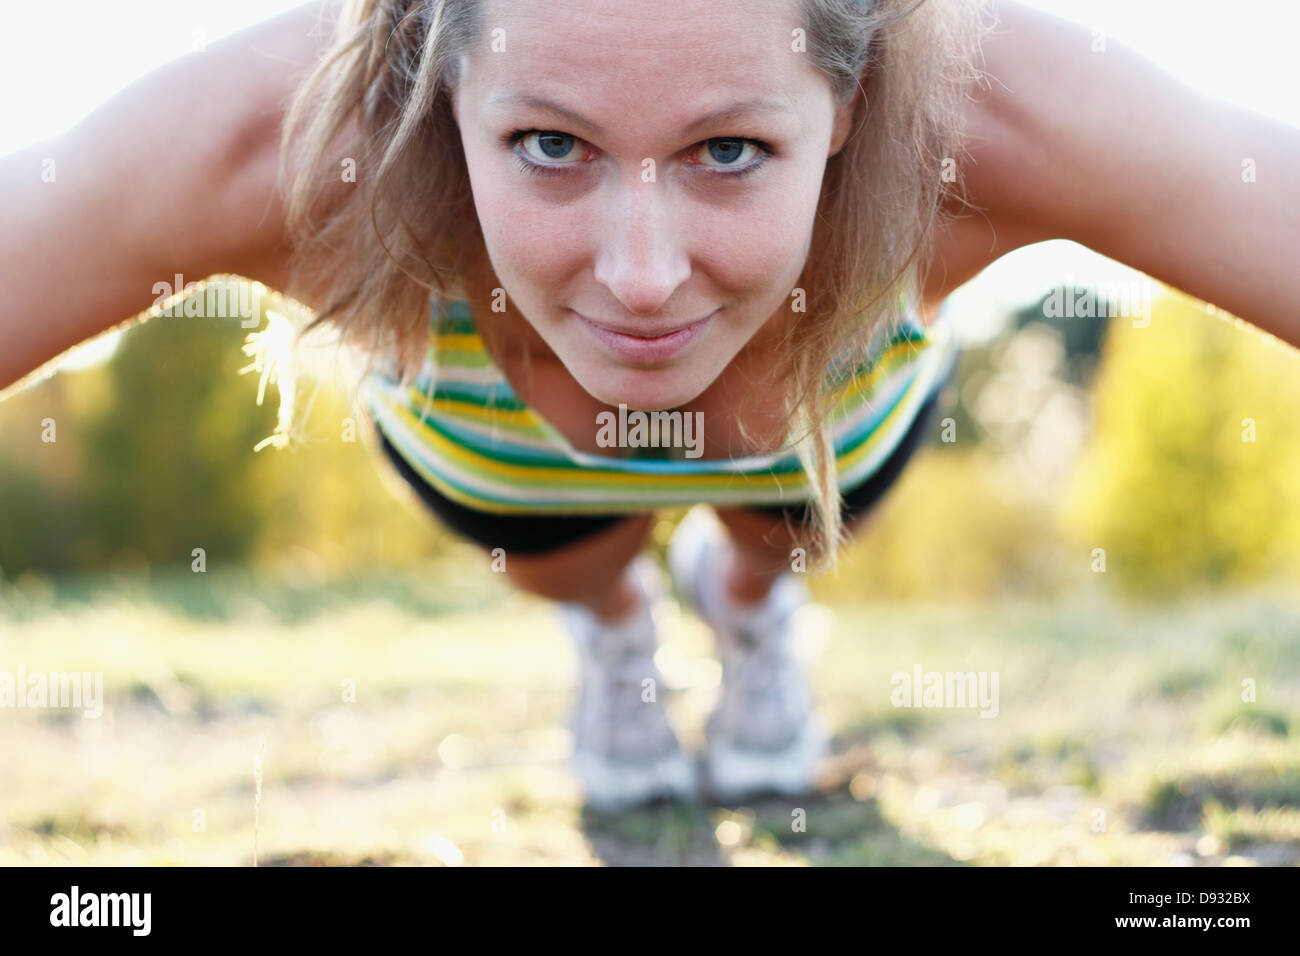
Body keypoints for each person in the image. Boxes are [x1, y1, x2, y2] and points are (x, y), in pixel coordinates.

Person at [2, 0, 1297, 811]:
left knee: (778, 535)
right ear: (443, 89)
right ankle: (619, 638)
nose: (638, 277)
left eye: (728, 150)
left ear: (846, 105)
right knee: (575, 564)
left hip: (821, 441)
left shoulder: (991, 113)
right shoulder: (280, 136)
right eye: (550, 146)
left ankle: (747, 610)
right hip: (496, 459)